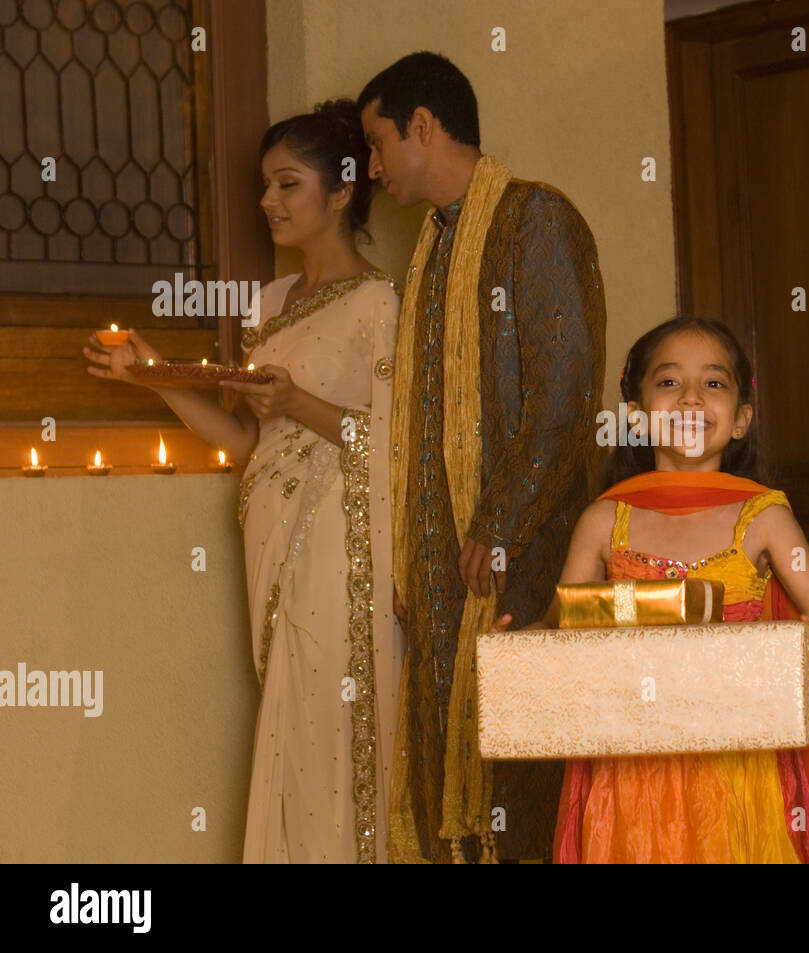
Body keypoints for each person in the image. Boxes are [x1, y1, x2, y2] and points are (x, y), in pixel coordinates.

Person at [85, 100, 402, 864]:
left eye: (288, 184)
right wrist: (153, 378)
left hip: (346, 546)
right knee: (289, 721)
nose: (267, 202)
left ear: (343, 191)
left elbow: (396, 446)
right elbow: (241, 439)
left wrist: (299, 402)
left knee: (338, 723)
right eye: (265, 185)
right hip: (272, 541)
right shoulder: (268, 305)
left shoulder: (382, 303)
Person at [358, 51, 606, 863]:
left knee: (517, 771)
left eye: (377, 142)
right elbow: (422, 418)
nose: (373, 166)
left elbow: (564, 398)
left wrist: (498, 523)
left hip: (520, 551)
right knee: (446, 773)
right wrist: (415, 550)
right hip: (444, 566)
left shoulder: (535, 220)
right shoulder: (434, 245)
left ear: (423, 128)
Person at [518, 316, 809, 863]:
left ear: (741, 419)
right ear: (635, 416)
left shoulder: (764, 518)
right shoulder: (605, 521)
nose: (692, 399)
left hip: (736, 773)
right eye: (669, 383)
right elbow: (564, 624)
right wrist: (520, 646)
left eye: (714, 383)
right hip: (628, 772)